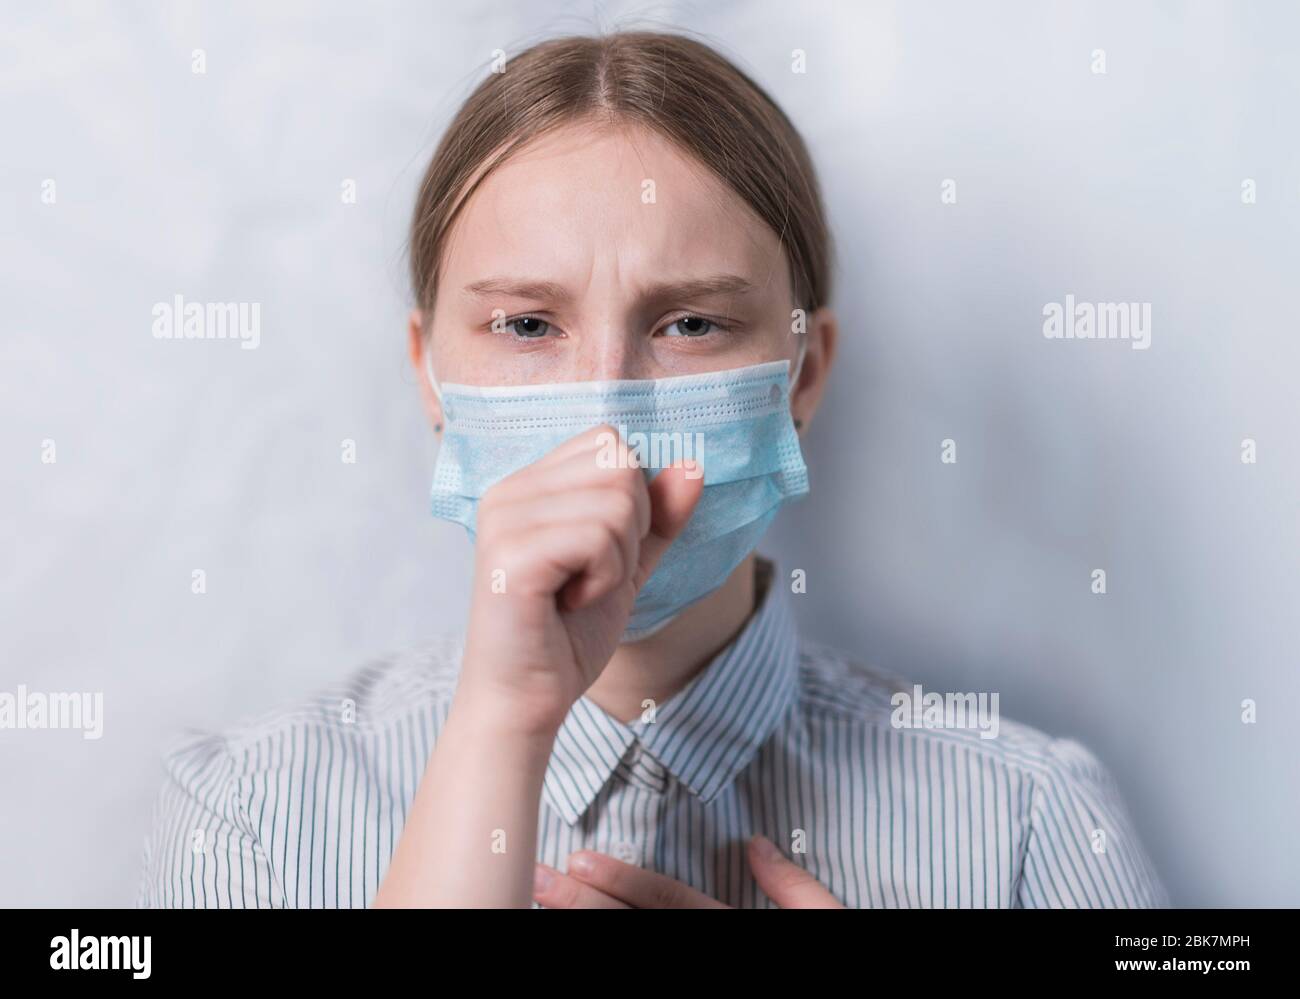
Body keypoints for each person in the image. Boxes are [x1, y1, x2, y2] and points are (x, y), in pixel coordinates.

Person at [136, 29, 1169, 909]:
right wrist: (503, 718)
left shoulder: (1027, 821)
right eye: (528, 324)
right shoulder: (252, 812)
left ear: (801, 373)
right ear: (429, 375)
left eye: (689, 323)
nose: (607, 418)